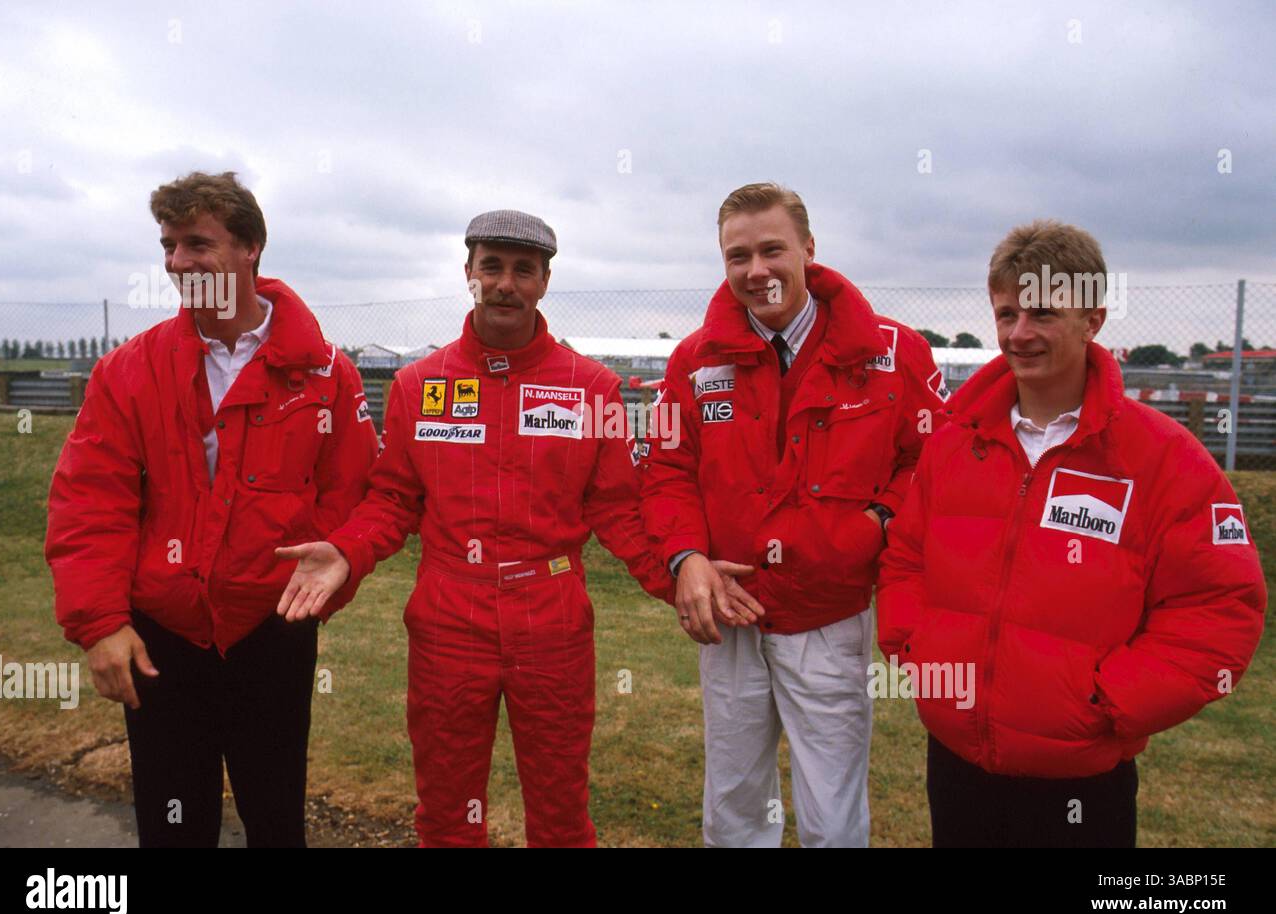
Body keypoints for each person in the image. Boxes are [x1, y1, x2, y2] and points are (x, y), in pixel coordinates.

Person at [274, 210, 687, 847]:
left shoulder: (592, 388)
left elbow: (617, 509)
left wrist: (680, 580)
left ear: (544, 281)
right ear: (468, 273)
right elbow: (393, 499)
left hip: (551, 614)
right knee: (446, 813)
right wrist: (348, 552)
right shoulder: (419, 384)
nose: (505, 284)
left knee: (561, 813)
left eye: (523, 270)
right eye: (491, 267)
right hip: (448, 614)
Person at [877, 219, 1267, 847]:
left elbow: (1220, 607)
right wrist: (917, 654)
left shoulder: (1164, 459)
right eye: (1007, 314)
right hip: (955, 762)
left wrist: (1109, 700)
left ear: (1093, 320)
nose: (1019, 333)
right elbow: (905, 561)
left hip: (1082, 784)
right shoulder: (952, 444)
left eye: (1042, 313)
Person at [44, 171, 378, 847]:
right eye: (168, 246)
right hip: (161, 639)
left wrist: (337, 565)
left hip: (274, 630)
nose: (177, 262)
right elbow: (90, 502)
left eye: (197, 243)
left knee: (276, 823)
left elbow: (357, 493)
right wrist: (101, 622)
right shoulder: (128, 371)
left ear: (250, 247)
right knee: (172, 826)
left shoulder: (326, 373)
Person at [640, 182, 946, 847]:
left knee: (833, 815)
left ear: (809, 248)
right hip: (731, 616)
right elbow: (666, 473)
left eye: (772, 250)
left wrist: (874, 524)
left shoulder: (895, 352)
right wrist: (686, 559)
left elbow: (928, 463)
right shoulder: (693, 360)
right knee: (733, 808)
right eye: (738, 256)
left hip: (828, 614)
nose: (757, 270)